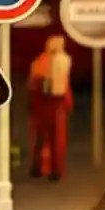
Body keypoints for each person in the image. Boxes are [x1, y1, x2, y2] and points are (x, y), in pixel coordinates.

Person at [29, 34, 74, 181]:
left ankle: (41, 167)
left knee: (42, 137)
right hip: (54, 103)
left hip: (43, 104)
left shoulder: (39, 62)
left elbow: (32, 85)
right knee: (55, 138)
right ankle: (53, 169)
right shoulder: (61, 60)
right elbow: (63, 86)